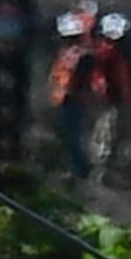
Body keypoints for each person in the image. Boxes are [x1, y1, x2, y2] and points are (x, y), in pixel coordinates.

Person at [48, 12, 95, 180]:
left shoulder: (82, 56)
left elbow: (79, 80)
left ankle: (80, 168)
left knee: (72, 136)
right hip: (64, 97)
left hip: (73, 98)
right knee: (66, 134)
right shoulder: (66, 53)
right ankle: (74, 166)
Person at [89, 13, 131, 170]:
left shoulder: (97, 50)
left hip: (101, 97)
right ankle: (100, 164)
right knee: (106, 129)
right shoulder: (112, 54)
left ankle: (100, 161)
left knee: (103, 129)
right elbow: (120, 79)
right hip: (108, 98)